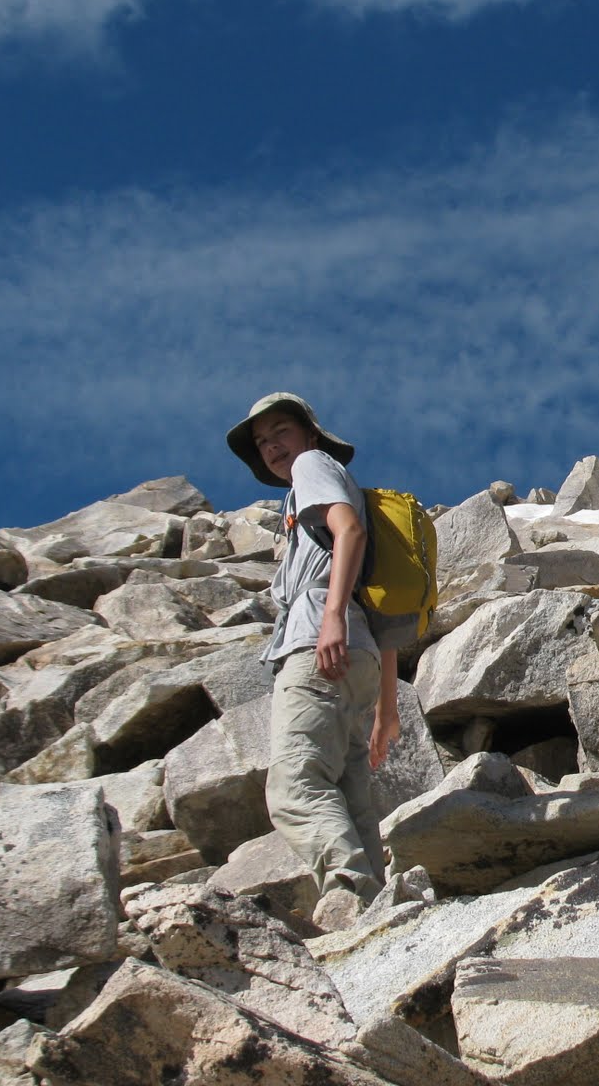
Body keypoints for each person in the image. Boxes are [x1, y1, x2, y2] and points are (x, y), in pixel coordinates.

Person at [226, 392, 401, 930]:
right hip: (358, 658)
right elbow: (380, 604)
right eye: (261, 442)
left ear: (309, 434)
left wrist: (328, 619)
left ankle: (351, 892)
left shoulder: (310, 466)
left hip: (319, 645)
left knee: (294, 785)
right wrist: (385, 707)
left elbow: (350, 532)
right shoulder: (311, 487)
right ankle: (385, 915)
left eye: (280, 432)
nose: (272, 447)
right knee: (351, 798)